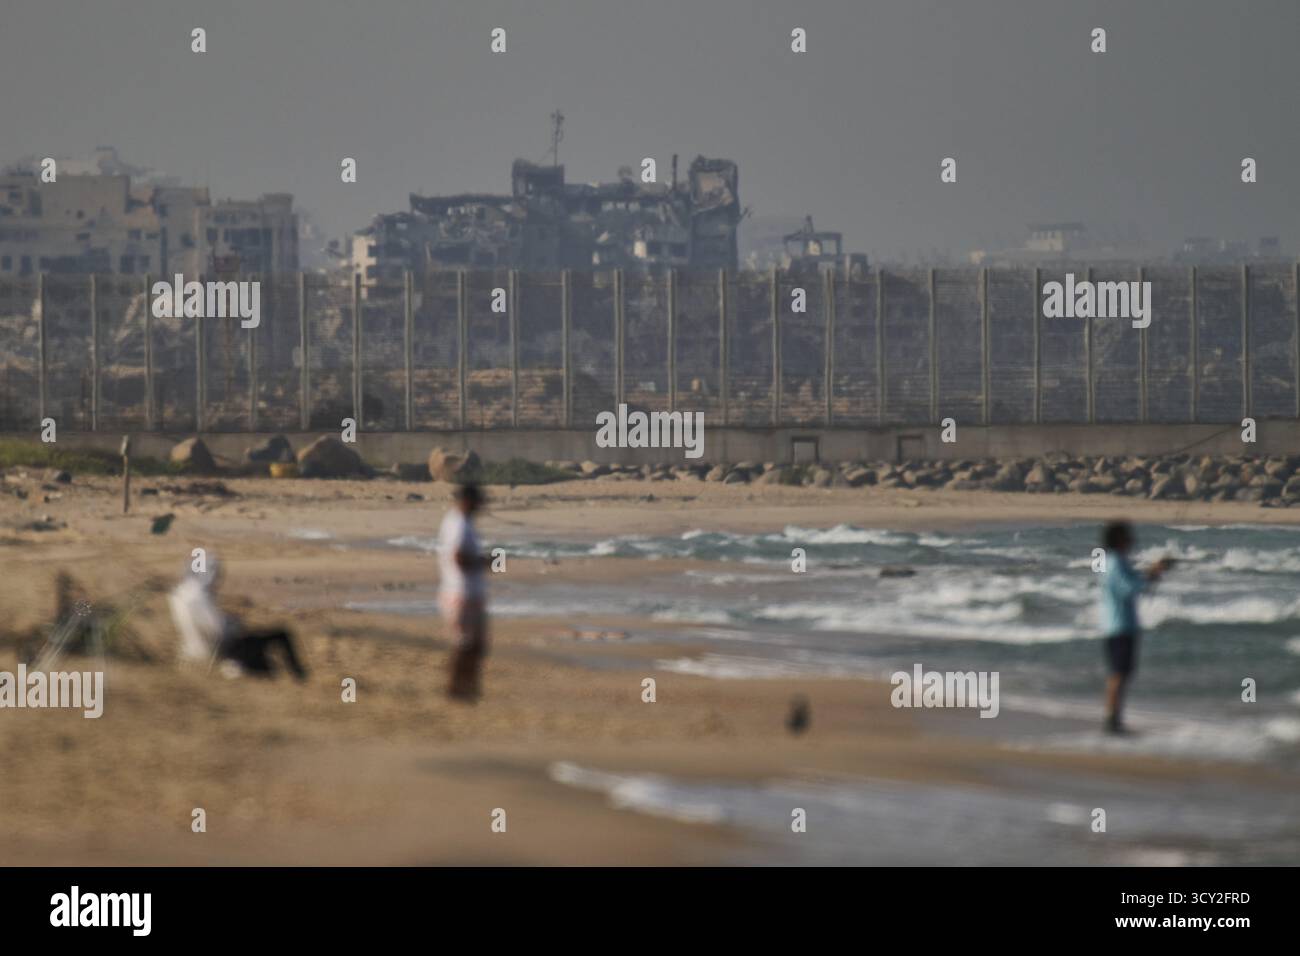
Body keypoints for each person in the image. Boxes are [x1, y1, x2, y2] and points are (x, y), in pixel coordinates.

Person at [168, 556, 308, 680]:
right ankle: (301, 678)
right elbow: (217, 630)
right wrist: (234, 623)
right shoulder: (199, 596)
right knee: (280, 635)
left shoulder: (180, 594)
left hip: (195, 651)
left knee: (262, 656)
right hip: (220, 650)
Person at [1098, 521, 1172, 734]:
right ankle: (1112, 720)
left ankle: (1115, 718)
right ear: (1119, 539)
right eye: (1128, 536)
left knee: (1121, 674)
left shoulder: (1114, 562)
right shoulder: (1115, 563)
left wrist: (1152, 574)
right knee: (1118, 674)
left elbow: (1133, 584)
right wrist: (1153, 574)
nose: (1132, 540)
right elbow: (1129, 589)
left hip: (1119, 624)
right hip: (1119, 625)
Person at [438, 483, 490, 701]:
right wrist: (483, 561)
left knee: (474, 644)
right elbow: (459, 557)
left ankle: (465, 687)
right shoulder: (460, 524)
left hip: (465, 591)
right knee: (466, 644)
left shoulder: (458, 521)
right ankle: (458, 689)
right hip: (461, 592)